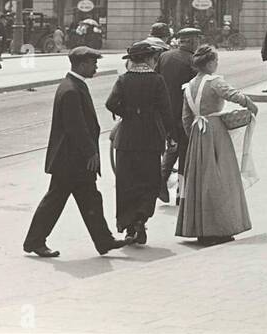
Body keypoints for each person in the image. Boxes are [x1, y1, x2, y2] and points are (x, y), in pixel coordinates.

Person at [22, 47, 130, 257]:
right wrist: (91, 153)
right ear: (81, 64)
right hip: (72, 160)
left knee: (88, 199)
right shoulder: (71, 90)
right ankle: (35, 241)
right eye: (93, 63)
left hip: (72, 159)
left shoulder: (74, 85)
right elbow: (76, 127)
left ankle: (103, 241)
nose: (96, 66)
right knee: (58, 201)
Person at [177, 44, 259, 245]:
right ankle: (218, 228)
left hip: (198, 133)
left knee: (198, 181)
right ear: (210, 63)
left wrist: (194, 137)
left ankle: (199, 228)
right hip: (215, 132)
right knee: (221, 180)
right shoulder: (214, 82)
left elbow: (186, 118)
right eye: (216, 61)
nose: (217, 64)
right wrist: (250, 105)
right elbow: (233, 94)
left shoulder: (189, 86)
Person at [105, 41, 178, 246]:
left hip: (127, 138)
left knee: (127, 182)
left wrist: (128, 114)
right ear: (148, 59)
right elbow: (166, 110)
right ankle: (141, 218)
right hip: (150, 138)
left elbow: (111, 103)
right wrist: (171, 134)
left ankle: (129, 227)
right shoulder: (157, 80)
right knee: (149, 180)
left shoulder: (123, 79)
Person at [157, 26, 200, 202]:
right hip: (184, 112)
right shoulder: (193, 61)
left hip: (165, 111)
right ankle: (181, 194)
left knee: (173, 147)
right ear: (190, 41)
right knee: (185, 152)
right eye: (197, 40)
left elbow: (156, 80)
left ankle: (161, 182)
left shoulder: (164, 56)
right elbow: (196, 89)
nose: (198, 43)